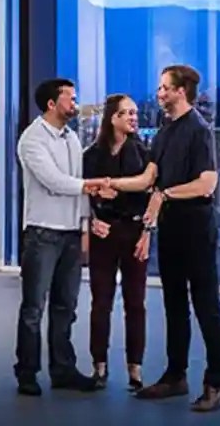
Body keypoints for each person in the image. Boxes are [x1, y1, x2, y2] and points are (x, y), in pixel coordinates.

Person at [130, 64, 220, 412]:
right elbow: (149, 178)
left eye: (164, 88)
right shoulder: (164, 131)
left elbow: (207, 183)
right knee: (174, 305)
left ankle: (215, 384)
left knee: (206, 306)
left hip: (196, 230)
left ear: (180, 92)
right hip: (170, 230)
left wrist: (166, 195)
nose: (159, 94)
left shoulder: (199, 130)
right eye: (159, 88)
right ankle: (175, 376)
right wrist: (106, 183)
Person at [13, 78, 108, 397]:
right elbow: (54, 181)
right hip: (43, 233)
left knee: (66, 306)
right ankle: (27, 372)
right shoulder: (32, 139)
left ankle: (63, 369)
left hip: (68, 234)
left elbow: (77, 182)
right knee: (33, 309)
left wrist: (85, 222)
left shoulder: (70, 137)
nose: (76, 103)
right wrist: (92, 185)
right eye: (71, 98)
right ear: (52, 104)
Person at [81, 94, 153, 393]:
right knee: (101, 302)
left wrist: (148, 232)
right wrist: (90, 219)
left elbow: (152, 195)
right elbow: (82, 193)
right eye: (127, 113)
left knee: (136, 303)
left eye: (135, 113)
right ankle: (99, 366)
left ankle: (135, 369)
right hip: (104, 233)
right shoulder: (91, 155)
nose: (133, 118)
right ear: (112, 118)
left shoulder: (145, 154)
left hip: (134, 231)